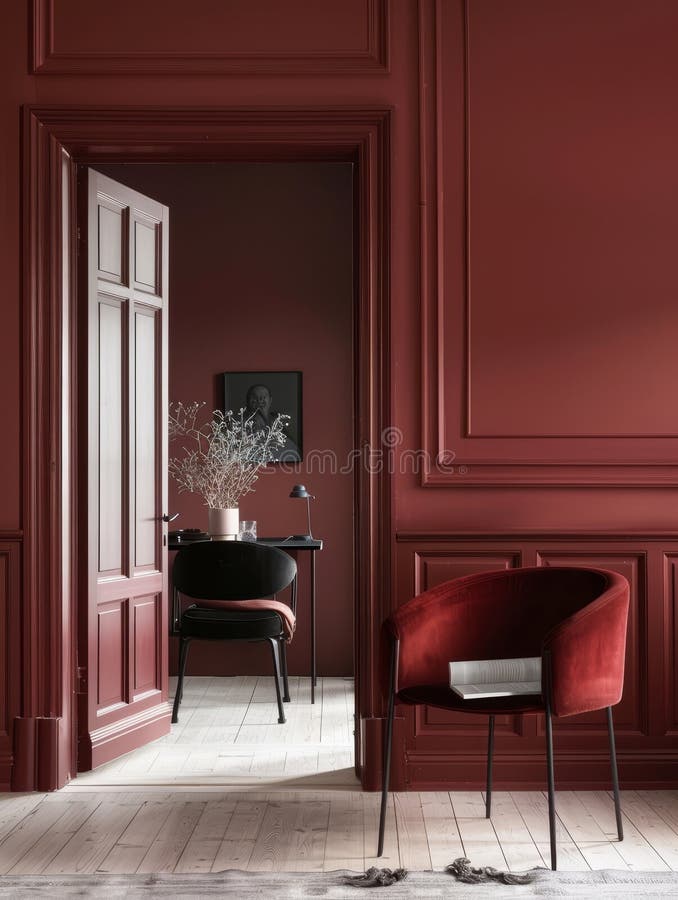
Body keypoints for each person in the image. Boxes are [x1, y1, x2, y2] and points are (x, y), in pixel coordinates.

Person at [245, 383, 301, 462]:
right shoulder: (240, 427)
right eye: (254, 397)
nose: (259, 399)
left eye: (264, 396)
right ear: (248, 401)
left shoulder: (280, 427)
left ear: (270, 400)